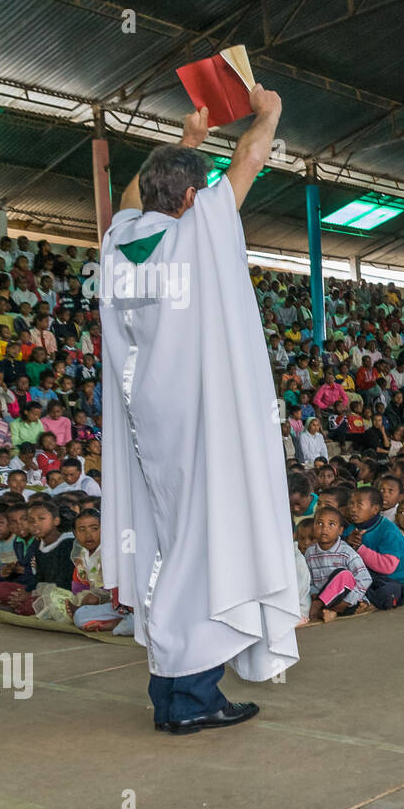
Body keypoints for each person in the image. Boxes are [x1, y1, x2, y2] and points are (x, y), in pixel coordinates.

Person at [100, 90, 300, 735]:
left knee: (170, 547)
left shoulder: (120, 243)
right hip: (201, 423)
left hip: (151, 428)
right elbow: (244, 163)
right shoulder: (192, 236)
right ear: (191, 201)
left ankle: (174, 695)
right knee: (202, 552)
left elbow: (134, 198)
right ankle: (191, 698)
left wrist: (185, 144)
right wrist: (266, 114)